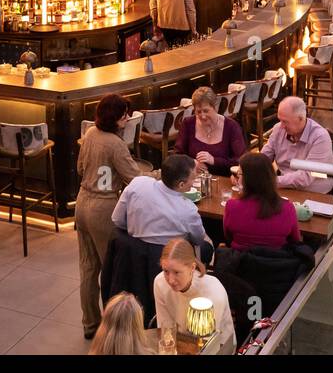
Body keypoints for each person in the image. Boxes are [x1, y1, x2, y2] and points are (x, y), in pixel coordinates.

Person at [77, 94, 149, 340]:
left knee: (88, 268)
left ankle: (90, 323)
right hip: (103, 208)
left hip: (82, 202)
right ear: (115, 118)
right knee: (110, 271)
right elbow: (134, 177)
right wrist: (157, 179)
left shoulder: (89, 135)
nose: (128, 118)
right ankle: (112, 329)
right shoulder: (115, 144)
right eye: (124, 115)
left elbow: (79, 168)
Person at [153, 237, 236, 354]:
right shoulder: (160, 282)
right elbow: (165, 329)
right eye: (166, 271)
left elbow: (207, 345)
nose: (170, 280)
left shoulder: (212, 291)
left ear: (192, 267)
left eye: (177, 272)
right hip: (180, 343)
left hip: (217, 347)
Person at [112, 154, 208, 248]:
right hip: (167, 258)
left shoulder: (137, 183)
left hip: (132, 254)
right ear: (181, 185)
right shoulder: (188, 210)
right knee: (207, 248)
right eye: (193, 179)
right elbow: (198, 240)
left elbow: (117, 219)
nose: (193, 182)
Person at [223, 151, 302, 251]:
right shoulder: (288, 207)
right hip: (276, 263)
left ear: (248, 179)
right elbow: (295, 240)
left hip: (240, 263)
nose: (238, 179)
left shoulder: (231, 206)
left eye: (239, 174)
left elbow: (228, 236)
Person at [262, 96, 333, 194]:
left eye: (285, 121)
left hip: (313, 192)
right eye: (280, 120)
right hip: (284, 187)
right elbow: (264, 157)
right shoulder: (278, 128)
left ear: (301, 119)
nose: (281, 126)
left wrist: (270, 182)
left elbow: (305, 177)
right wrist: (246, 171)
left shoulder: (320, 137)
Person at [175, 86, 247, 176]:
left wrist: (214, 160)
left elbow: (241, 161)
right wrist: (192, 163)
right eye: (198, 112)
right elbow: (177, 155)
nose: (203, 116)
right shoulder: (188, 123)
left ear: (215, 108)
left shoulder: (231, 126)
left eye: (206, 111)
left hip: (224, 179)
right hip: (194, 180)